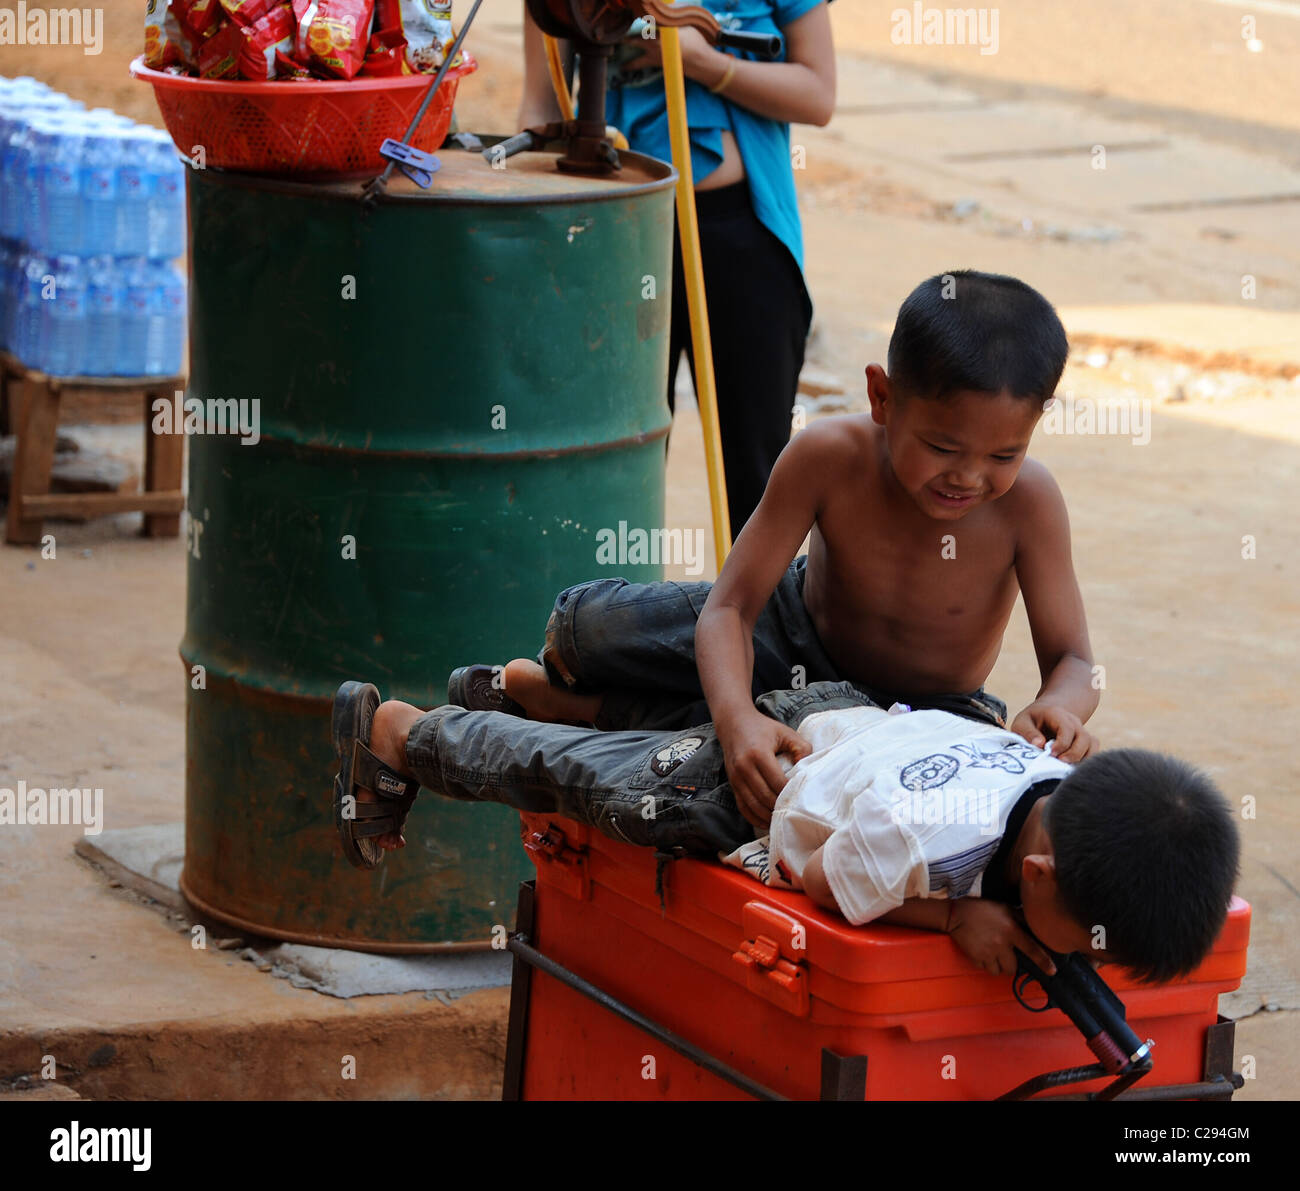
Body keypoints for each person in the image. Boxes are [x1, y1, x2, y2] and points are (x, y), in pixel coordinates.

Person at [454, 270, 1100, 832]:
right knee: (589, 628)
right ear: (882, 396)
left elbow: (1073, 658)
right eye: (942, 447)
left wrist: (1060, 708)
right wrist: (737, 725)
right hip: (786, 634)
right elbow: (730, 611)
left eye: (1003, 455)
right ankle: (615, 691)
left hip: (913, 715)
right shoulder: (827, 456)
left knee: (778, 784)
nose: (968, 476)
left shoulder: (1031, 503)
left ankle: (577, 708)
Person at [331, 678, 1240, 983]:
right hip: (758, 790)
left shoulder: (1059, 781)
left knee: (643, 729)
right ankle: (400, 735)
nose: (1078, 964)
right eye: (1085, 949)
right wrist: (950, 920)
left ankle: (545, 688)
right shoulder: (919, 846)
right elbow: (817, 881)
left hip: (848, 714)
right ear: (1035, 872)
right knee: (575, 778)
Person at [518, 0, 836, 541]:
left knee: (756, 477)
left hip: (745, 236)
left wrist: (699, 60)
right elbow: (539, 103)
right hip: (616, 234)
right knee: (614, 460)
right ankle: (604, 620)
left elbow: (818, 94)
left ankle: (751, 624)